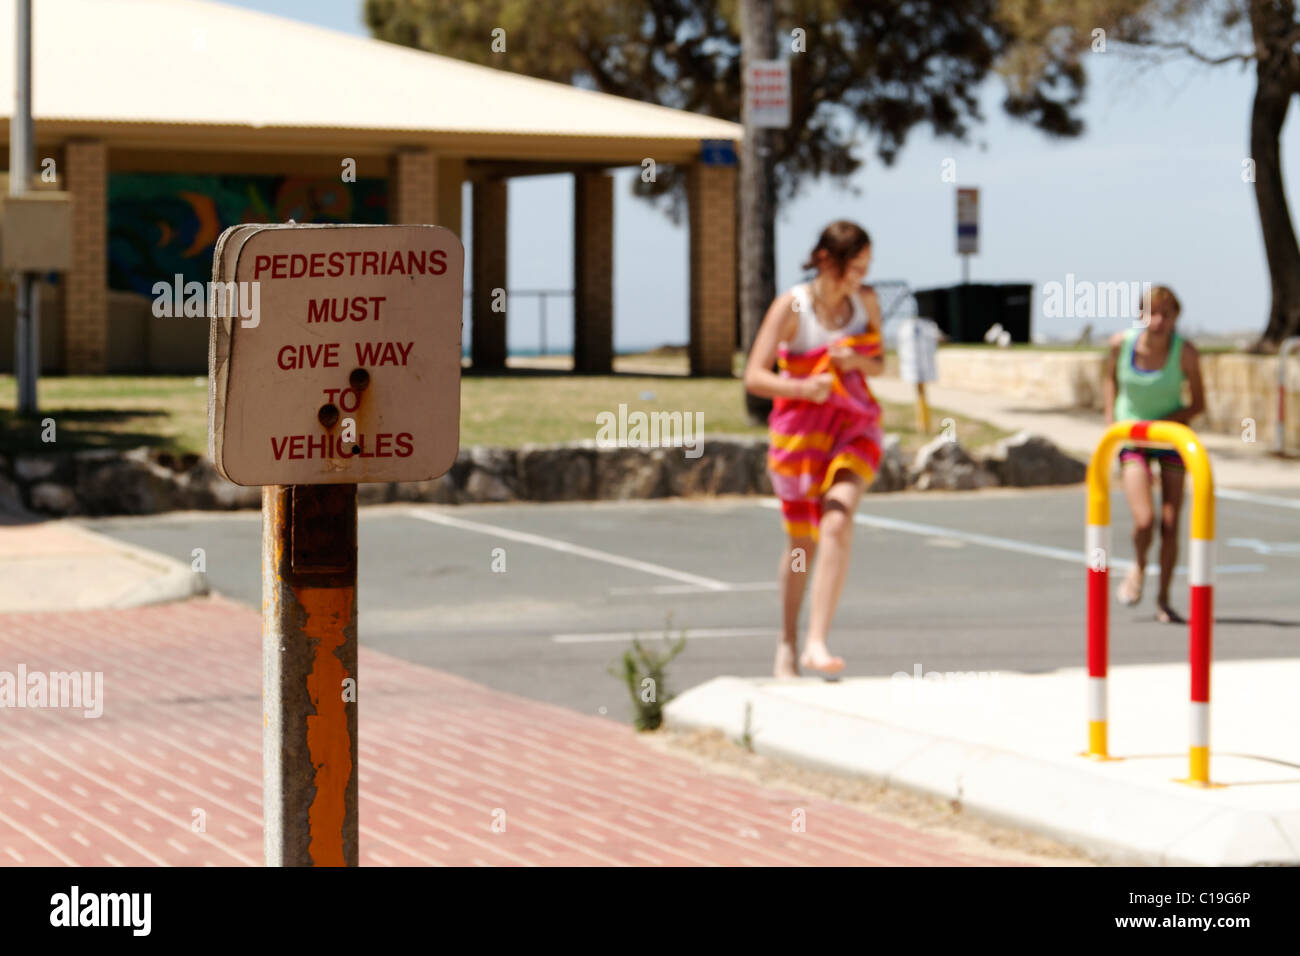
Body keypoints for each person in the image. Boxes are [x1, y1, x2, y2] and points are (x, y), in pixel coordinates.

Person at [743, 221, 885, 678]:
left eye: (865, 269)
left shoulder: (866, 303)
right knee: (802, 542)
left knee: (838, 518)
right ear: (827, 260)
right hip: (800, 436)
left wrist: (856, 361)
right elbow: (755, 377)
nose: (858, 279)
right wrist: (806, 387)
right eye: (852, 268)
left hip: (853, 426)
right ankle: (787, 640)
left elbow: (879, 364)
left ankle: (817, 641)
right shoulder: (792, 307)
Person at [1102, 285, 1205, 624]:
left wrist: (1165, 423)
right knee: (1145, 520)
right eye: (1151, 312)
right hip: (1134, 441)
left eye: (1166, 313)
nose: (1158, 321)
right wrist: (1111, 422)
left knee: (1172, 523)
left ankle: (1164, 599)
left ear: (1176, 317)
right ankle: (1139, 566)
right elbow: (1108, 378)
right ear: (1141, 314)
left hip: (1171, 439)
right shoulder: (1122, 345)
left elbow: (1199, 403)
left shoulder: (1185, 352)